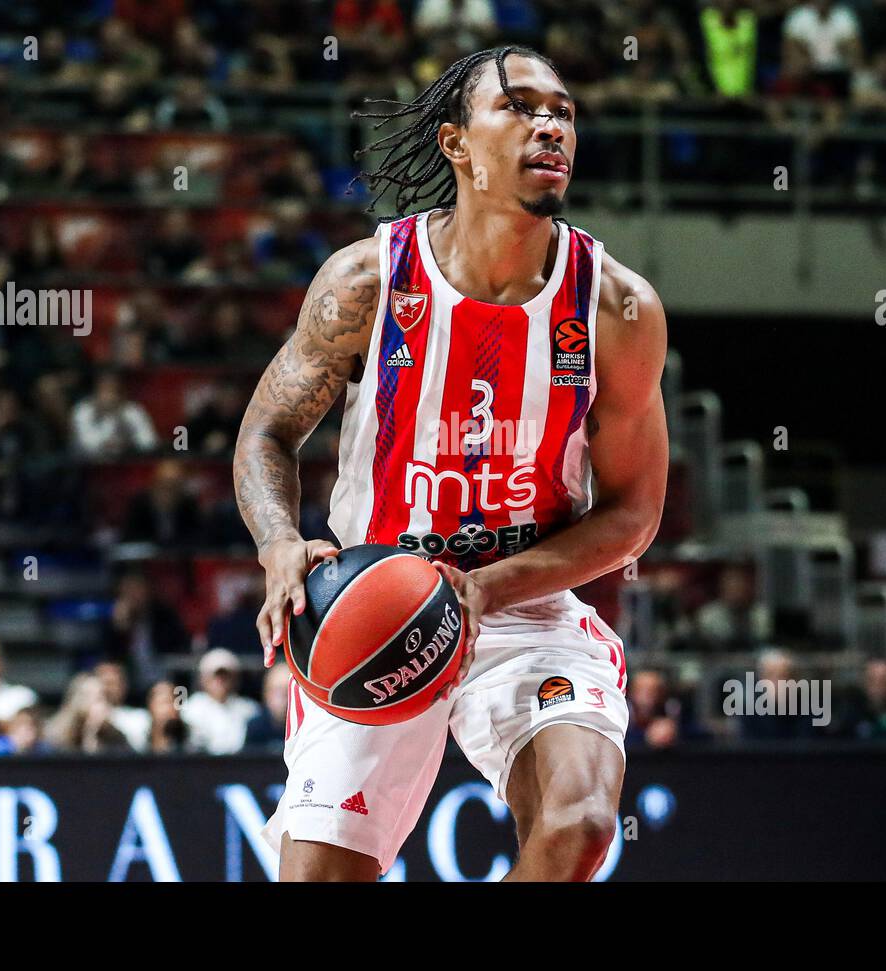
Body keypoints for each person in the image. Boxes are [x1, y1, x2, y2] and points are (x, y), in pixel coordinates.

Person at [233, 46, 669, 881]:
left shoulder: (616, 306)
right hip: (378, 600)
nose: (550, 124)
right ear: (455, 144)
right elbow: (265, 435)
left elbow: (634, 513)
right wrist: (279, 541)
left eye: (565, 111)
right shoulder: (368, 281)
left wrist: (488, 589)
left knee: (579, 822)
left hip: (523, 603)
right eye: (519, 106)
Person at [182, 648, 260, 754]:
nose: (220, 681)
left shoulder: (249, 709)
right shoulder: (190, 708)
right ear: (203, 678)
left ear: (236, 678)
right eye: (215, 676)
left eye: (225, 676)